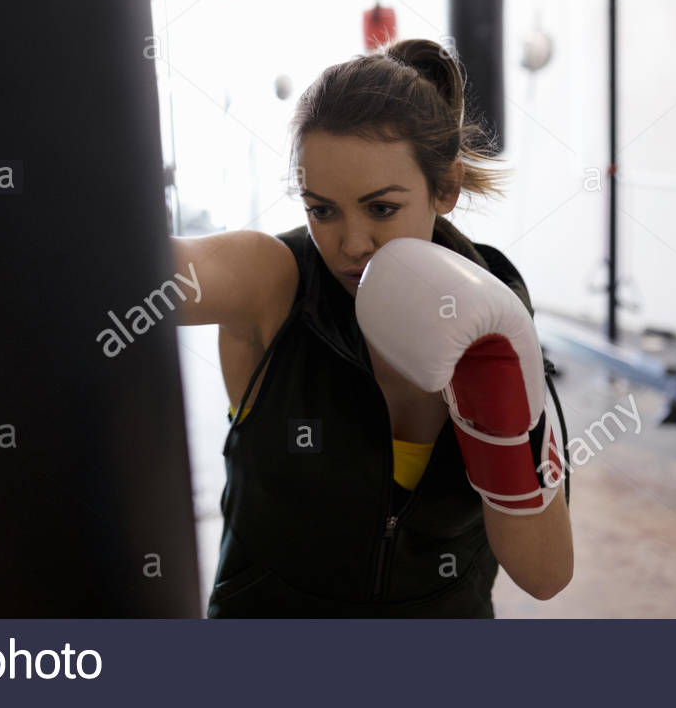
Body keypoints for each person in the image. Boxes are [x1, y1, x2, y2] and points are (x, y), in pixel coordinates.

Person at [170, 38, 573, 616]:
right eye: (321, 209)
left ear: (447, 188)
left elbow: (546, 575)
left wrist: (497, 417)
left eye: (381, 208)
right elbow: (142, 271)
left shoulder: (498, 314)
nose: (351, 246)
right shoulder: (273, 284)